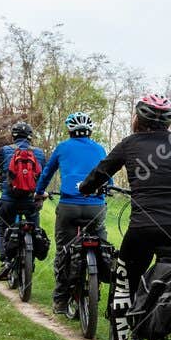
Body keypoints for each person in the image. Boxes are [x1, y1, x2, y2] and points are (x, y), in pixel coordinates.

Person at [78, 94, 171, 340]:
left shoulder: (129, 144)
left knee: (123, 279)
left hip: (145, 228)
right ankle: (163, 311)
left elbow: (101, 172)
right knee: (169, 265)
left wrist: (85, 188)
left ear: (138, 118)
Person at [36, 111, 110, 312]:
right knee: (101, 244)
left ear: (70, 130)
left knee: (64, 250)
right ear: (89, 131)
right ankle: (99, 281)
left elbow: (47, 173)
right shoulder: (99, 149)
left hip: (69, 206)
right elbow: (108, 177)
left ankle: (60, 300)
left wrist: (39, 192)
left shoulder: (62, 147)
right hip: (95, 207)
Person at [0, 121, 48, 281]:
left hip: (9, 200)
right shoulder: (39, 153)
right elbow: (44, 175)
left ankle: (5, 261)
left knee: (1, 230)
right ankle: (31, 260)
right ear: (30, 137)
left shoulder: (5, 151)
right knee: (35, 229)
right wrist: (42, 193)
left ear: (13, 136)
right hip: (31, 201)